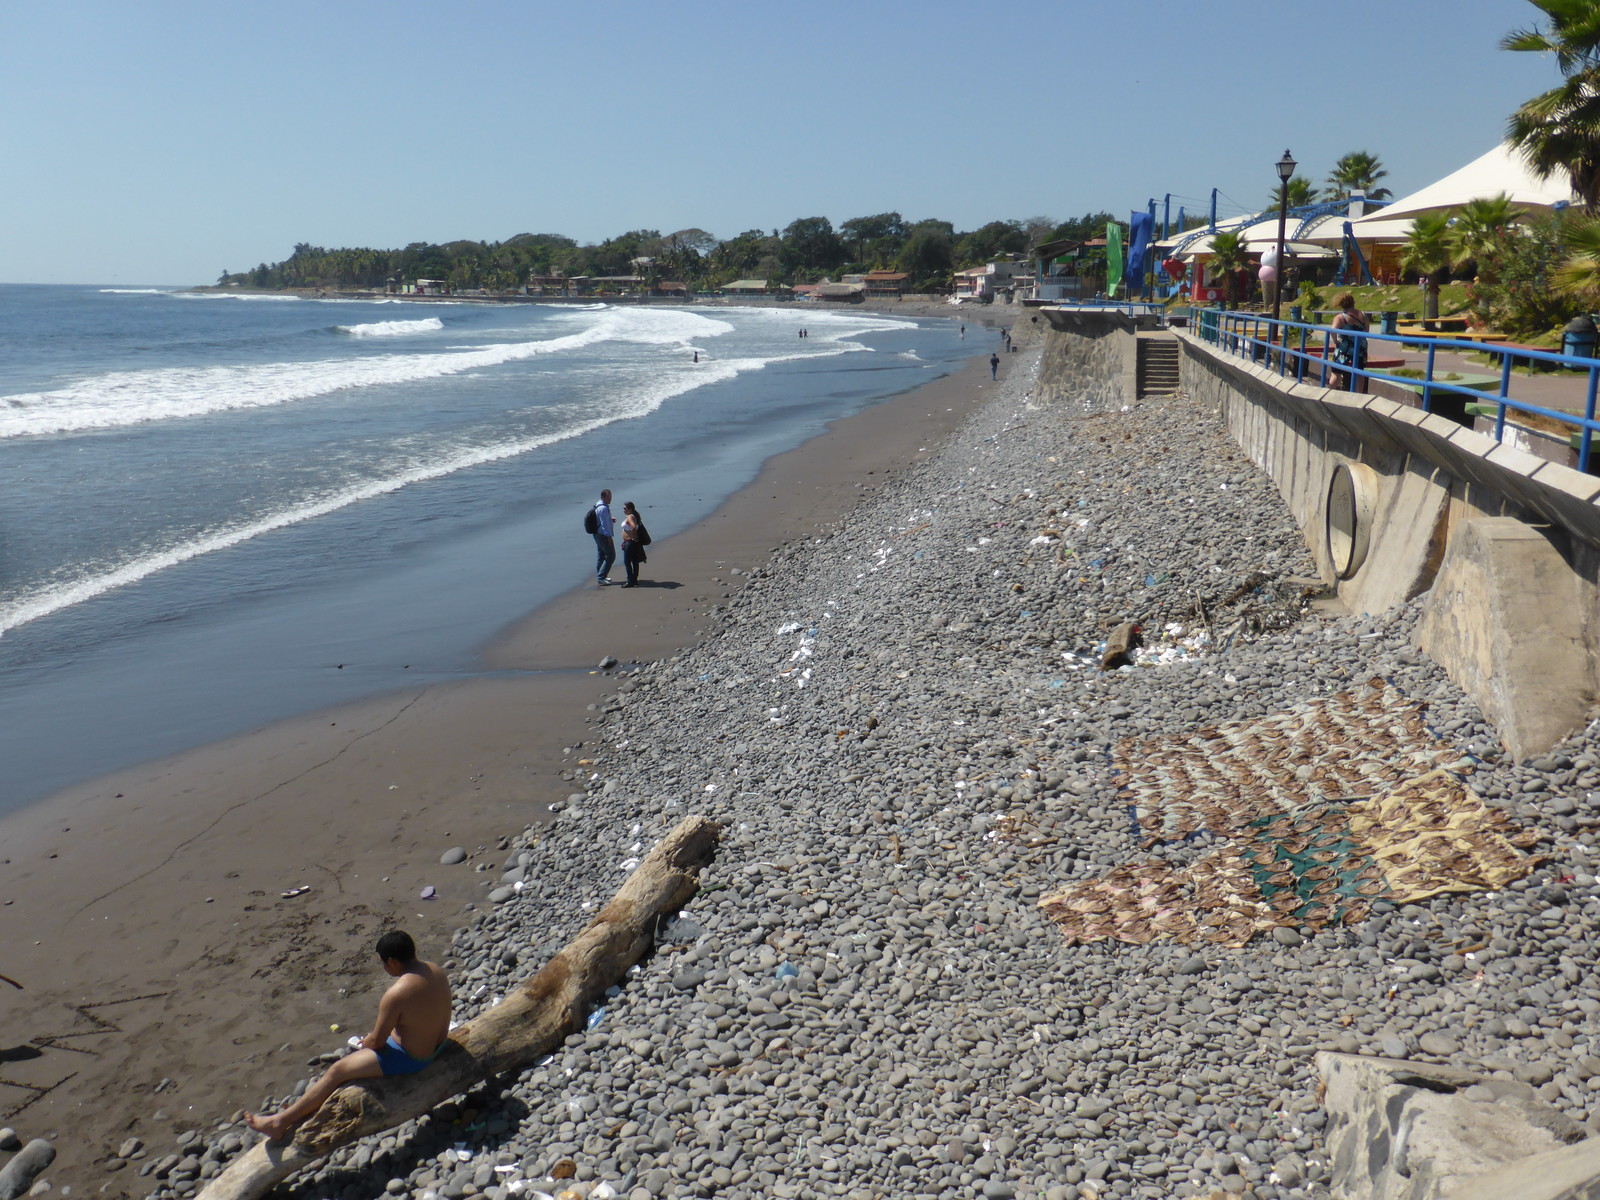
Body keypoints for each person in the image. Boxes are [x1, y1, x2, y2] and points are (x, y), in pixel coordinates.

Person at [246, 931, 450, 1142]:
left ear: (392, 962)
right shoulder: (435, 970)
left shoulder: (397, 994)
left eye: (383, 963)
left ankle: (279, 1122)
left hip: (414, 1059)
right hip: (439, 1044)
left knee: (337, 1070)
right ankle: (296, 1111)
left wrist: (367, 1042)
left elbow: (377, 1043)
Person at [1329, 292, 1369, 392]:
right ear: (1353, 302)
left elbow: (1332, 330)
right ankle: (1359, 395)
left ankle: (1329, 391)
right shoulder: (1363, 315)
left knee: (1336, 372)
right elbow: (1367, 331)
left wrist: (1336, 342)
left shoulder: (1340, 317)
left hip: (1345, 347)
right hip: (1360, 347)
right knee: (1359, 372)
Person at [619, 500, 647, 588]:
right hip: (633, 543)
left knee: (627, 562)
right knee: (634, 561)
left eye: (625, 508)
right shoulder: (635, 516)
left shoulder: (630, 517)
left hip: (629, 542)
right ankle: (634, 580)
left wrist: (633, 537)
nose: (623, 510)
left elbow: (634, 527)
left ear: (630, 509)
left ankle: (630, 581)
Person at [592, 489, 616, 585]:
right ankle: (601, 577)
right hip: (602, 535)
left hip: (598, 534)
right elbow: (604, 524)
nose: (610, 499)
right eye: (609, 497)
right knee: (611, 556)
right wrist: (609, 536)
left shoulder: (598, 506)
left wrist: (610, 519)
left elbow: (603, 520)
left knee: (601, 555)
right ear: (603, 497)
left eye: (611, 497)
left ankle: (601, 575)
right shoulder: (603, 508)